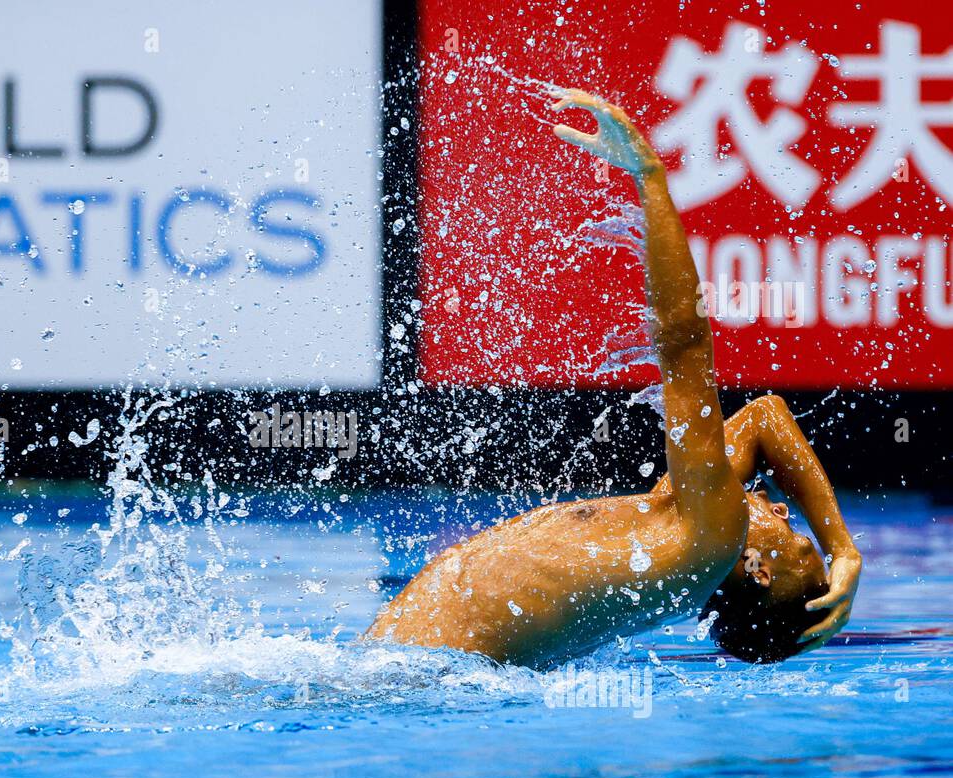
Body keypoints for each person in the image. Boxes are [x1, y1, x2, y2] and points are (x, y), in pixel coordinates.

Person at [367, 90, 862, 668]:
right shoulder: (677, 536)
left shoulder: (707, 541)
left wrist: (650, 177)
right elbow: (763, 419)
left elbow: (682, 346)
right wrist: (841, 548)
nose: (781, 510)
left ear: (757, 568)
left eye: (796, 539)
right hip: (409, 659)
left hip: (422, 672)